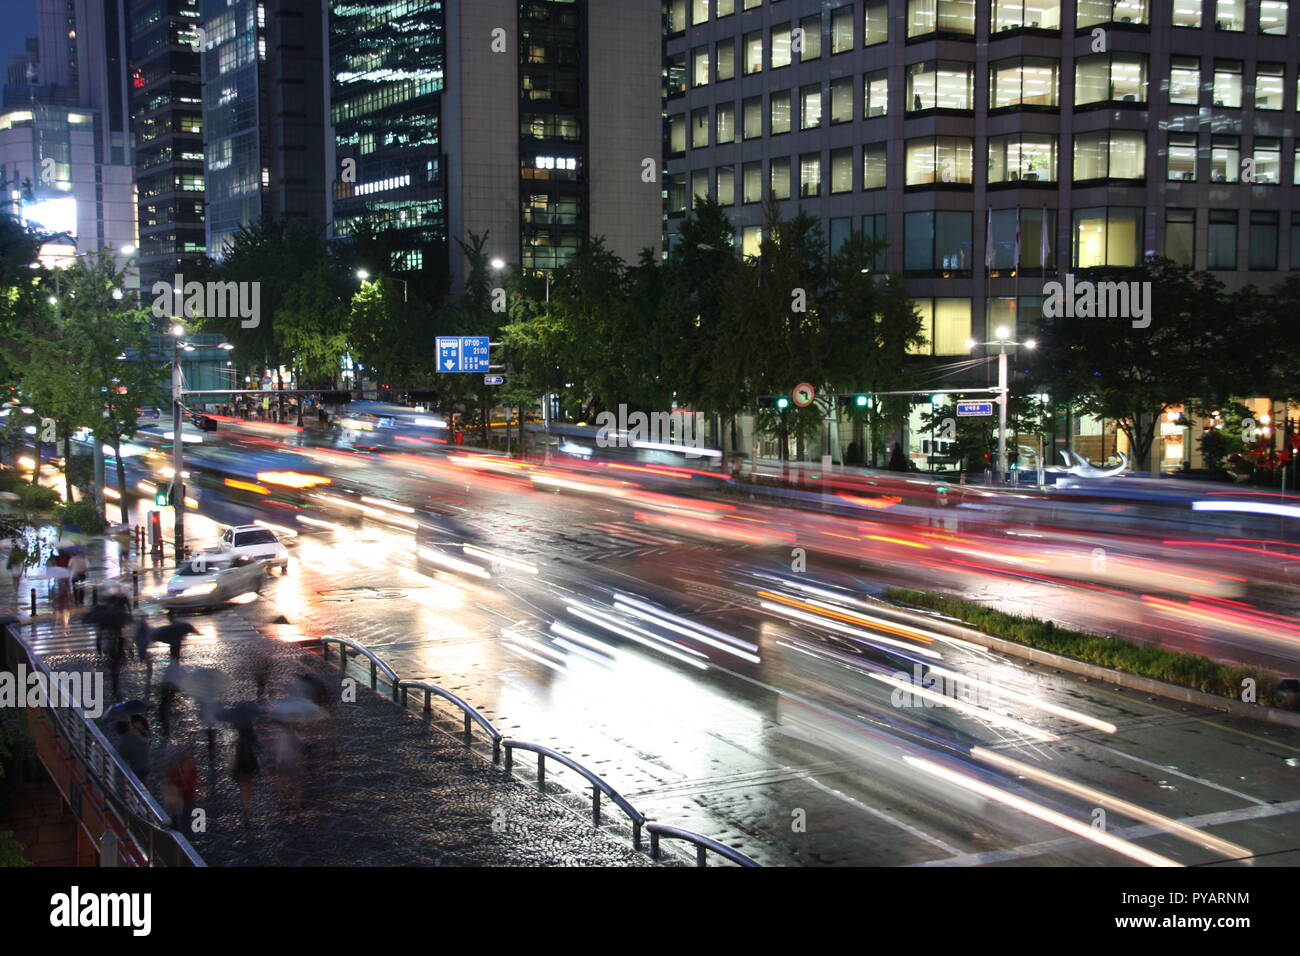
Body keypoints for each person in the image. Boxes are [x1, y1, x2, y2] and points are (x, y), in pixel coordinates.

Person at [163, 745, 199, 835]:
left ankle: (185, 833)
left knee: (185, 816)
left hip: (186, 794)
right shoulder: (183, 766)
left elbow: (191, 779)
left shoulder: (184, 766)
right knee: (183, 815)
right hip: (184, 794)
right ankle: (183, 830)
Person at [231, 725, 259, 828]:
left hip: (241, 769)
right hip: (249, 769)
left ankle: (246, 815)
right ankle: (247, 814)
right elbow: (254, 756)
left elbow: (237, 758)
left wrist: (234, 770)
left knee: (244, 792)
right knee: (248, 793)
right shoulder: (250, 741)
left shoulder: (239, 742)